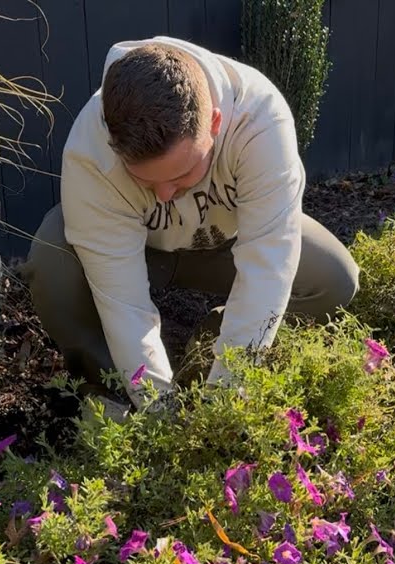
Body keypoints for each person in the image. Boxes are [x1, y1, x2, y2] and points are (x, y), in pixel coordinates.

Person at [21, 36, 359, 411]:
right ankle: (105, 392)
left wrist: (224, 397)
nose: (165, 194)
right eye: (146, 182)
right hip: (143, 253)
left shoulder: (260, 119)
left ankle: (208, 347)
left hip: (222, 243)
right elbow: (124, 304)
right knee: (52, 259)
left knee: (335, 279)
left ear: (215, 122)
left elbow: (269, 265)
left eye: (183, 174)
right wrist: (157, 411)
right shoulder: (92, 153)